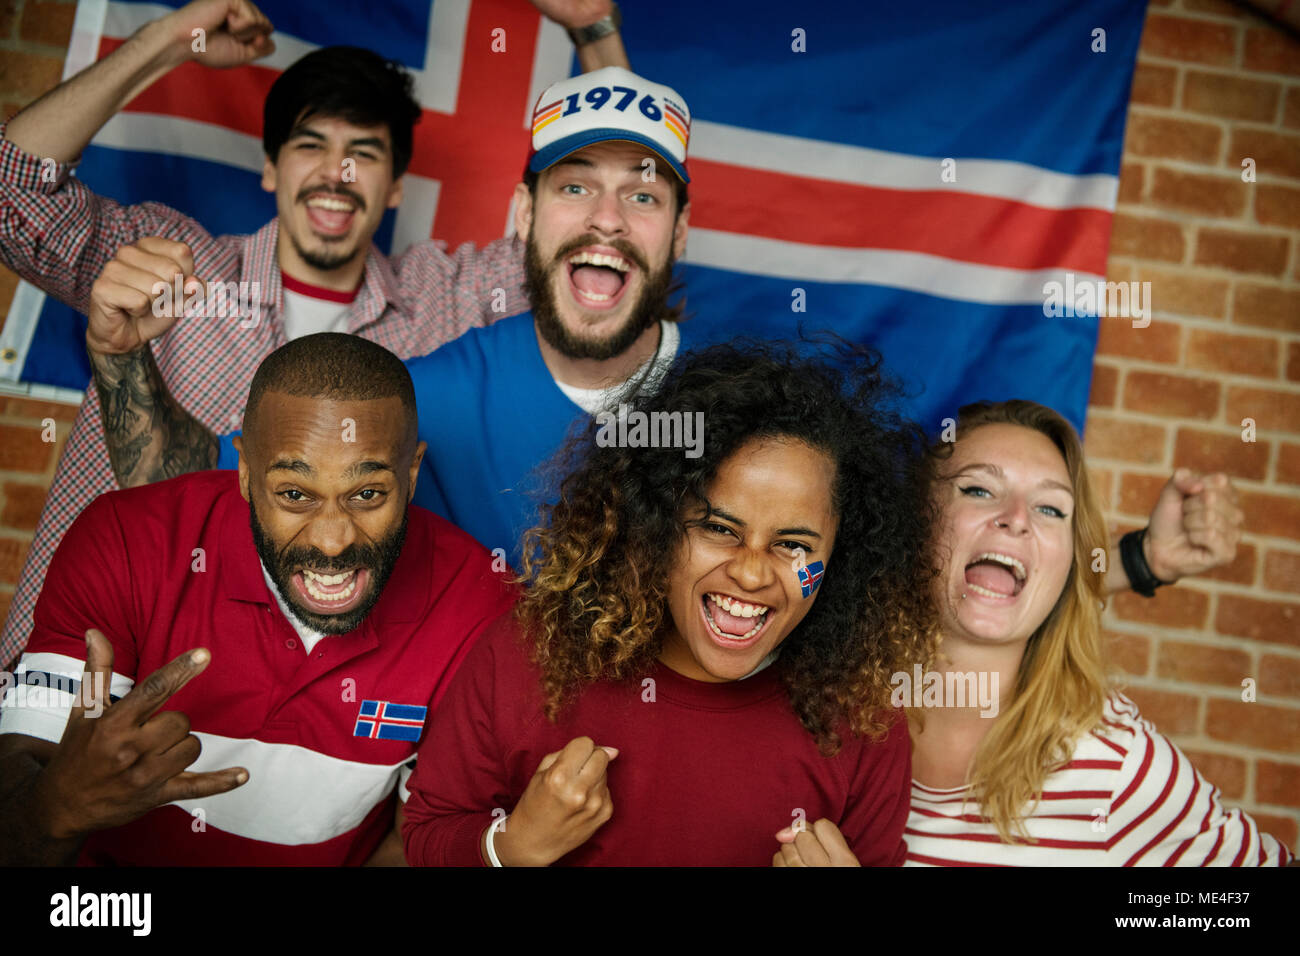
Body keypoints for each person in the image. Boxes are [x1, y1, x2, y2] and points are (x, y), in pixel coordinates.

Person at [0, 0, 629, 668]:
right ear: (270, 169)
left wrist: (593, 30)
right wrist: (166, 39)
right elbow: (12, 193)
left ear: (394, 188)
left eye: (363, 153)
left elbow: (594, 244)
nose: (338, 174)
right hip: (89, 662)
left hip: (303, 721)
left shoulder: (442, 302)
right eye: (311, 146)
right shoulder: (169, 261)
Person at [401, 340, 937, 866]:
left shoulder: (864, 715)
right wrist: (512, 849)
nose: (751, 572)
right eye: (719, 528)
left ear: (841, 556)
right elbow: (426, 835)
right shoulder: (528, 654)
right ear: (655, 524)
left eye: (794, 545)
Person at [0, 333, 515, 865]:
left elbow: (416, 842)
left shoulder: (479, 605)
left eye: (367, 495)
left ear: (410, 475)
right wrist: (56, 807)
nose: (332, 539)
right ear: (245, 470)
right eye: (295, 494)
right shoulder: (125, 540)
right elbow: (17, 791)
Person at [896, 400, 1290, 866]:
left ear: (1067, 566)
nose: (1017, 517)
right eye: (979, 489)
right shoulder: (821, 698)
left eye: (1050, 508)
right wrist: (1143, 558)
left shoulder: (1118, 765)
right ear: (910, 523)